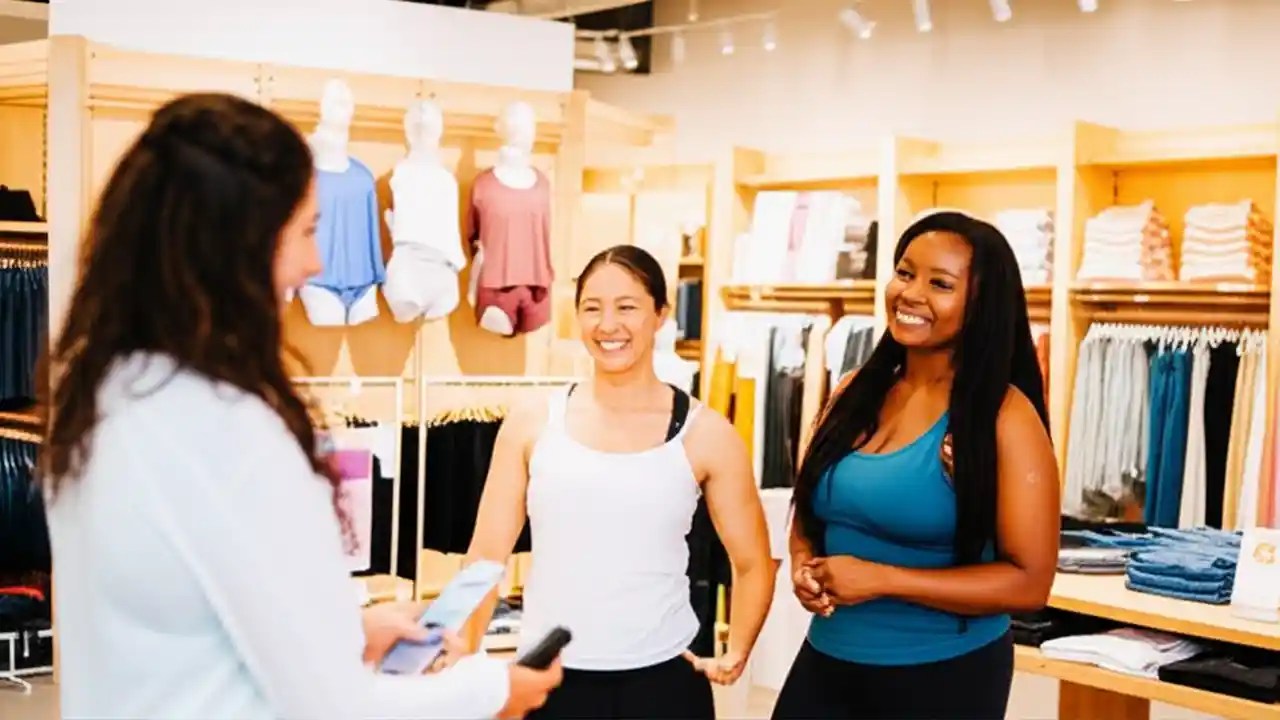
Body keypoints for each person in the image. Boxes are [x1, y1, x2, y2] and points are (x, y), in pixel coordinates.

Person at [39, 92, 561, 720]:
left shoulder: (105, 394)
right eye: (308, 231)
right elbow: (333, 707)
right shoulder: (230, 429)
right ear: (241, 241)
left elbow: (180, 621)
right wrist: (492, 691)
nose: (316, 262)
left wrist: (347, 632)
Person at [464, 245, 775, 719]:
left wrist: (737, 650)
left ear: (660, 315)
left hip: (664, 683)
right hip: (549, 680)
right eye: (592, 308)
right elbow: (485, 557)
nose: (608, 325)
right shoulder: (531, 423)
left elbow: (752, 561)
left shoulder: (707, 433)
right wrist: (463, 660)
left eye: (626, 307)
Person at [772, 211, 1060, 720]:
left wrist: (882, 579)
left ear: (981, 304)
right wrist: (802, 563)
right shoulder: (854, 391)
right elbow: (813, 511)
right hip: (828, 659)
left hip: (943, 674)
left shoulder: (1004, 417)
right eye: (905, 273)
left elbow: (1029, 584)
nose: (910, 293)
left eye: (940, 284)